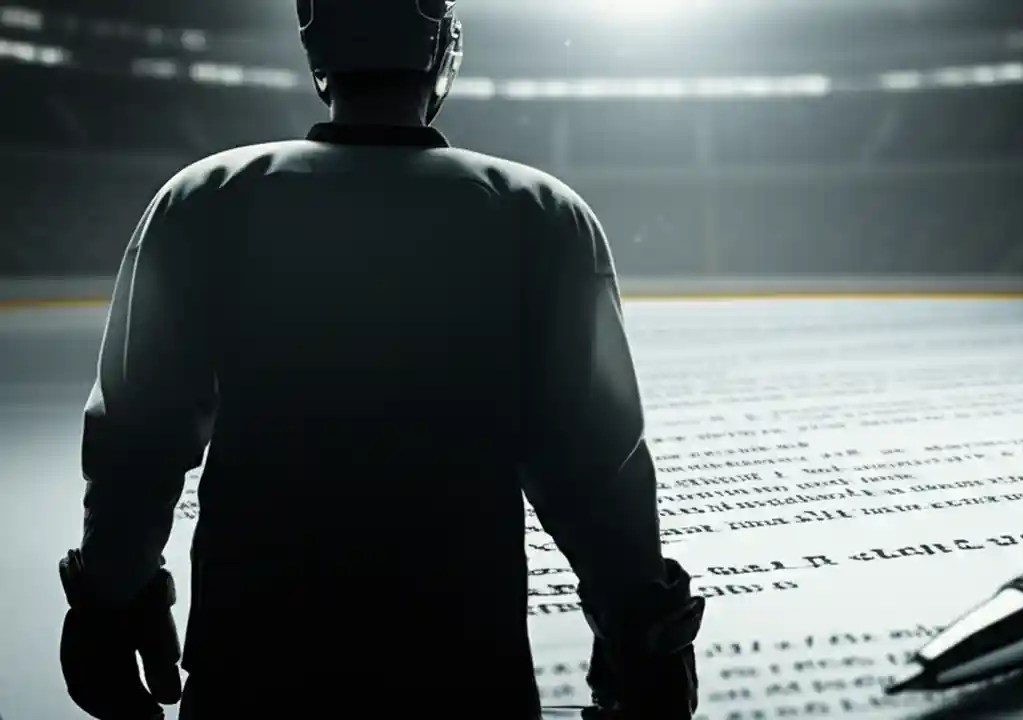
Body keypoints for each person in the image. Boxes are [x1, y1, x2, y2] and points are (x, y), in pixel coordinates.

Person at [55, 1, 705, 717]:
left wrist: (108, 601)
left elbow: (136, 437)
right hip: (462, 666)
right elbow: (596, 465)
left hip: (254, 664)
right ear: (444, 52)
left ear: (316, 51)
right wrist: (645, 635)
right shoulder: (541, 214)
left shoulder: (205, 198)